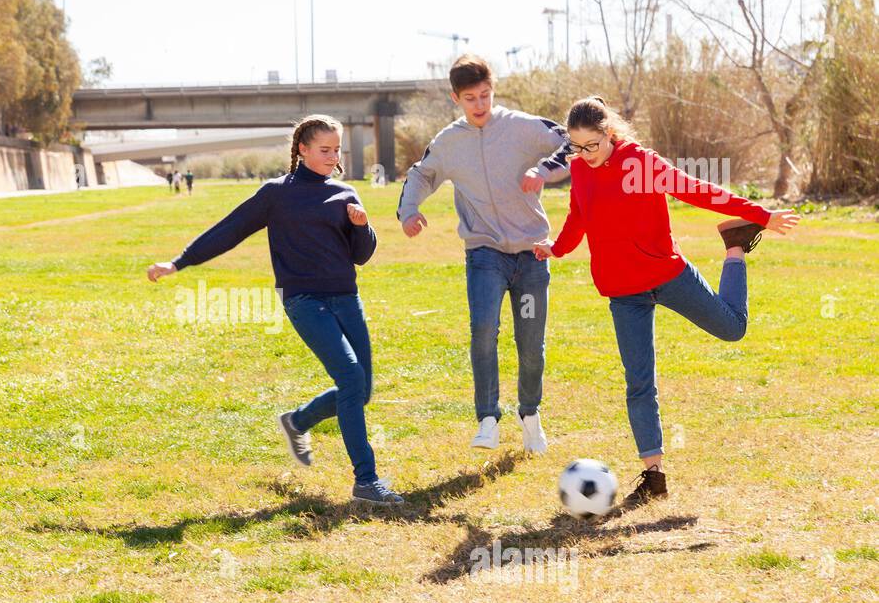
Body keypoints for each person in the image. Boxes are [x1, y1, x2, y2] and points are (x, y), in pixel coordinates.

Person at [534, 96, 799, 507]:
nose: (584, 155)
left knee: (733, 329)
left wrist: (760, 215)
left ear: (610, 134)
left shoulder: (640, 164)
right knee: (639, 382)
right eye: (576, 147)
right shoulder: (581, 172)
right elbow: (578, 217)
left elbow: (697, 191)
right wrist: (557, 248)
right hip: (623, 291)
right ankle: (654, 476)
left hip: (666, 275)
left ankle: (735, 248)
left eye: (592, 145)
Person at [147, 114, 402, 505]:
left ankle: (297, 421)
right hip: (304, 301)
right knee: (351, 377)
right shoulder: (276, 194)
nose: (332, 157)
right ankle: (366, 480)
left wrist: (362, 226)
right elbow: (228, 230)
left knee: (361, 390)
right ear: (302, 149)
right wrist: (179, 262)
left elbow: (361, 255)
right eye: (324, 150)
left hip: (346, 297)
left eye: (336, 151)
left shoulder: (346, 192)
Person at [398, 54, 573, 454]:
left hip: (531, 255)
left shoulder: (521, 127)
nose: (480, 105)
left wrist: (544, 169)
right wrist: (409, 210)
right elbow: (421, 173)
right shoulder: (448, 142)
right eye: (471, 98)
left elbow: (571, 140)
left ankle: (529, 414)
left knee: (530, 342)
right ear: (455, 98)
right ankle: (487, 419)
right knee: (483, 330)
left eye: (486, 95)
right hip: (485, 255)